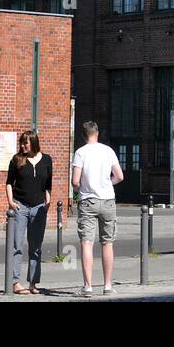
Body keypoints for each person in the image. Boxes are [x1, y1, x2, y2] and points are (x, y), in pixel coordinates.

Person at [70, 120, 123, 297]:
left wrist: (81, 189)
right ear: (97, 133)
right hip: (108, 200)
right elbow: (119, 176)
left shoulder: (80, 152)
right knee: (107, 243)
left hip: (88, 201)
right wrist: (108, 183)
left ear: (84, 135)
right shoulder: (108, 151)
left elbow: (75, 181)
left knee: (87, 243)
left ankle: (88, 286)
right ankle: (108, 285)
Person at [5, 130, 52, 295]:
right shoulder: (17, 159)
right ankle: (15, 282)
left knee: (36, 247)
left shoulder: (46, 160)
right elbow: (9, 182)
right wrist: (11, 201)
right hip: (20, 206)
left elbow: (48, 184)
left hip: (39, 207)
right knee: (17, 245)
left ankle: (33, 283)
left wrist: (48, 200)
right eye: (21, 143)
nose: (23, 146)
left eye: (26, 143)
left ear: (34, 142)